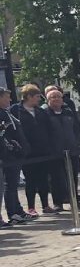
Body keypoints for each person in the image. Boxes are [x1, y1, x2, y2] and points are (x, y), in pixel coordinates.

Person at [12, 85, 55, 214]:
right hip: (27, 153)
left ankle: (45, 205)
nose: (38, 99)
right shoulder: (16, 110)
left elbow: (49, 129)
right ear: (29, 96)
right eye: (36, 97)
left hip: (43, 151)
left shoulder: (41, 111)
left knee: (43, 179)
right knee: (30, 180)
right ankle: (31, 207)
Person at [44, 88, 80, 208]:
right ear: (48, 100)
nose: (56, 99)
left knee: (73, 177)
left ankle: (74, 199)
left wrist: (77, 142)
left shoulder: (68, 112)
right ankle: (58, 202)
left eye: (58, 97)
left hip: (72, 150)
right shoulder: (45, 114)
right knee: (56, 178)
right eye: (53, 97)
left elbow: (76, 129)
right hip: (55, 152)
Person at [0, 89, 33, 226]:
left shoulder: (6, 112)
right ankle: (12, 213)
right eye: (7, 97)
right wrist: (11, 147)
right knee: (8, 185)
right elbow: (5, 136)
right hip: (7, 155)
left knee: (12, 183)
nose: (10, 100)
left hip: (15, 155)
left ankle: (18, 210)